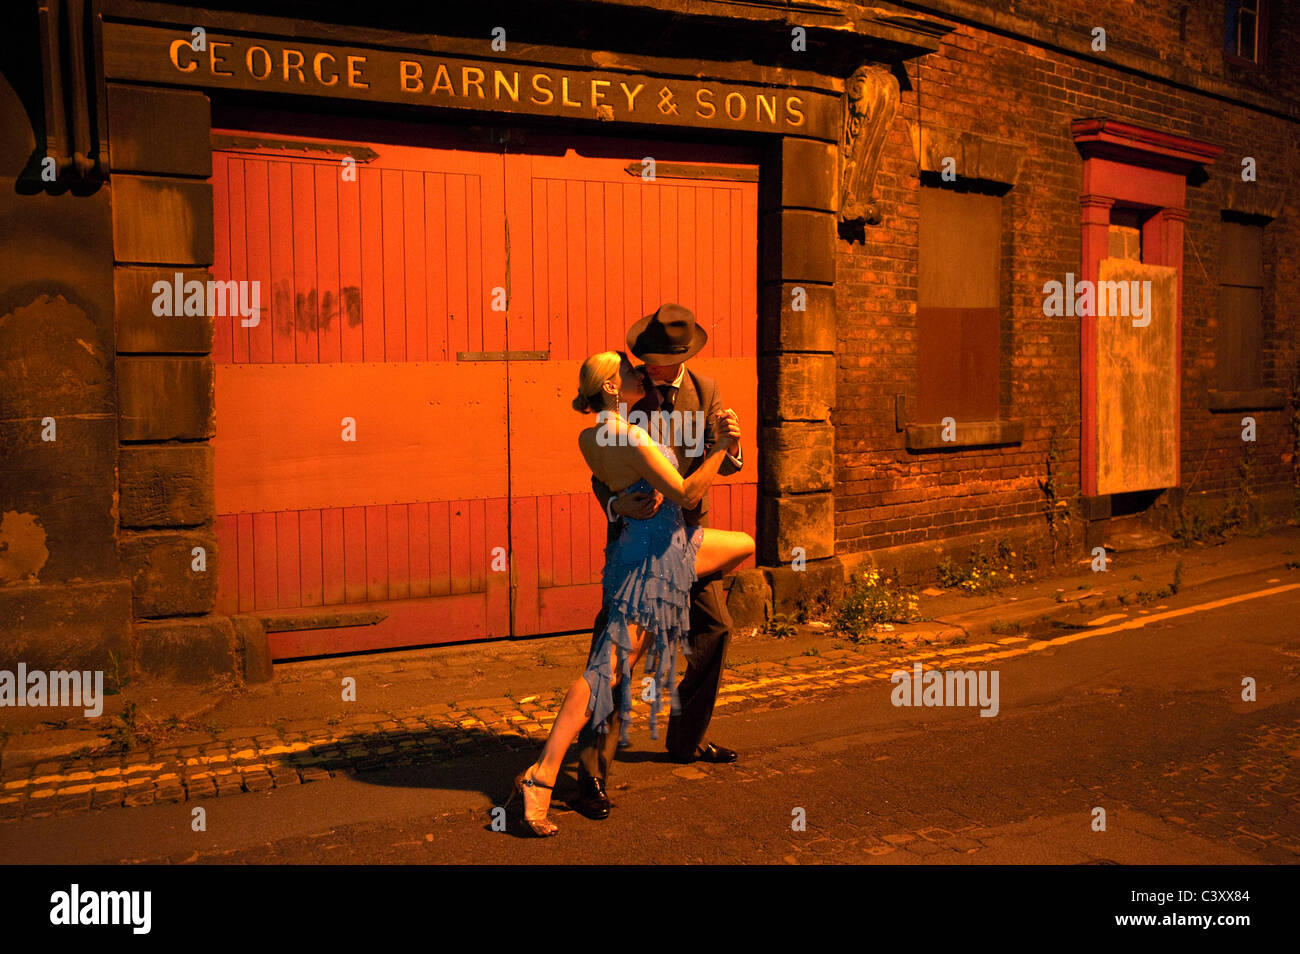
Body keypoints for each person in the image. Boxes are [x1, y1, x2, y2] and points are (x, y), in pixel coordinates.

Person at [506, 350, 754, 836]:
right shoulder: (633, 434)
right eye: (631, 370)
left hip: (659, 548)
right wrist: (721, 448)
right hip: (650, 563)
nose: (641, 371)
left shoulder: (590, 435)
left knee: (742, 543)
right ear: (616, 387)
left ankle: (675, 612)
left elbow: (615, 476)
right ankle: (544, 774)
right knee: (605, 671)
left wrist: (626, 495)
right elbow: (685, 494)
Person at [572, 303, 744, 821]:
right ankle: (590, 775)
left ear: (684, 357)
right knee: (615, 653)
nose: (647, 368)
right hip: (639, 543)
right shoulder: (623, 396)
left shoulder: (707, 392)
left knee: (715, 631)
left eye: (658, 361)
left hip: (689, 539)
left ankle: (686, 740)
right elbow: (604, 460)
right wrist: (611, 502)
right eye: (641, 359)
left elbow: (721, 460)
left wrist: (732, 449)